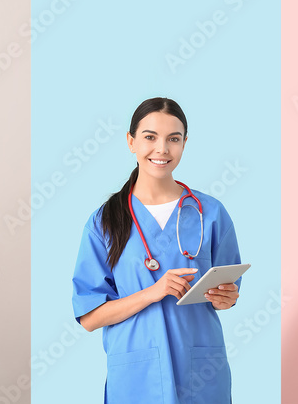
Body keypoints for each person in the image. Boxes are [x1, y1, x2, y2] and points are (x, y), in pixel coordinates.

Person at [72, 97, 242, 403]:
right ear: (131, 141)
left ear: (184, 144)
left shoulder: (210, 212)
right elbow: (89, 317)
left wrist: (227, 298)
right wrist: (153, 291)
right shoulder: (105, 221)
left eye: (173, 139)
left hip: (201, 372)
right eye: (150, 137)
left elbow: (226, 295)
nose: (162, 149)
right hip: (138, 375)